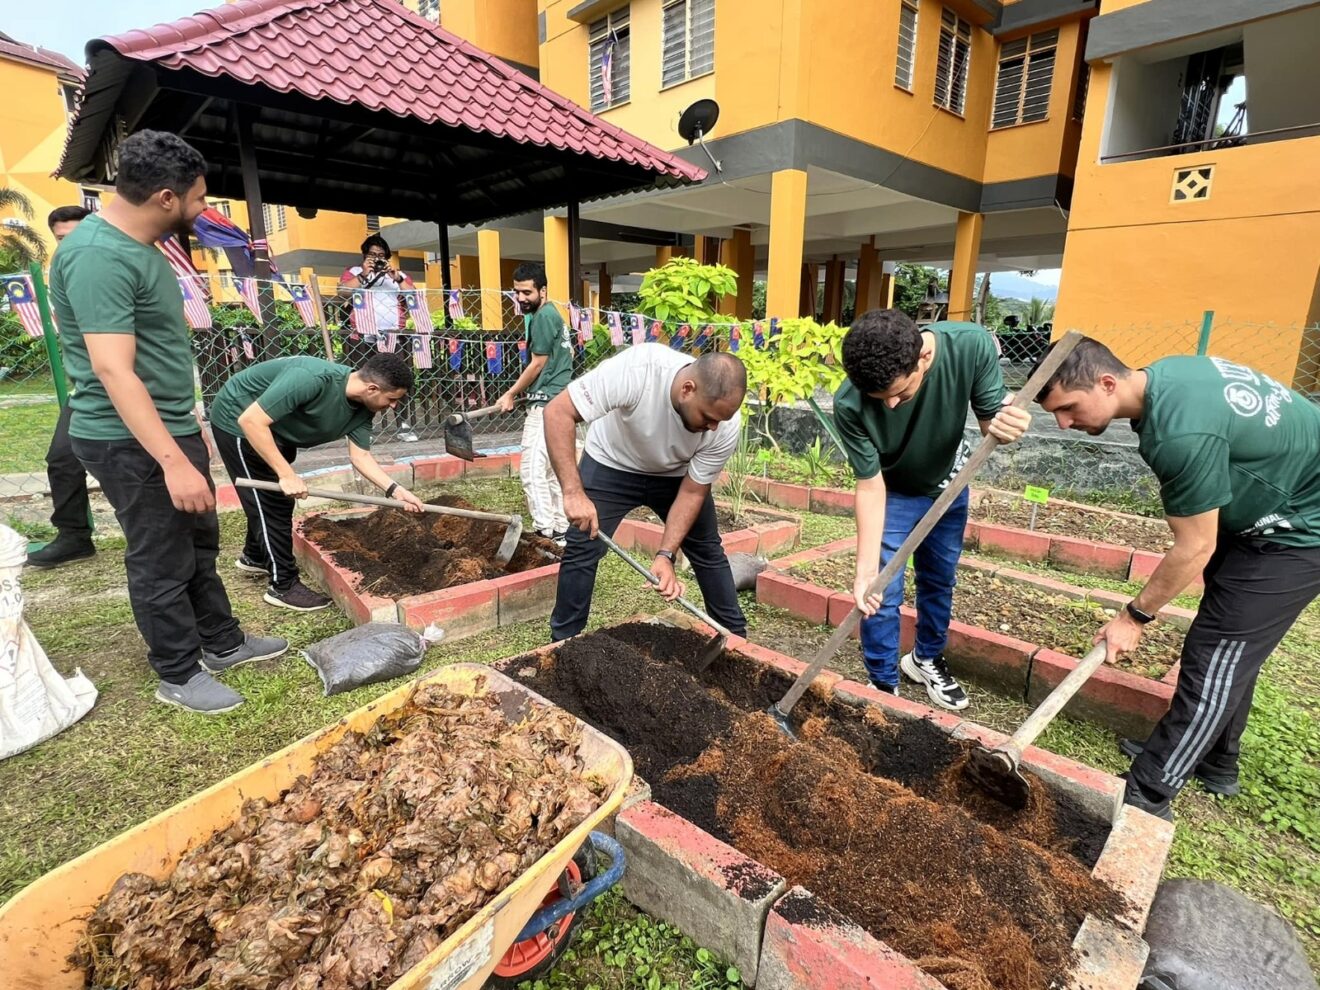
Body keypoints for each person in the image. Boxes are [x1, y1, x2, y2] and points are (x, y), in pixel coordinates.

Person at [50, 129, 286, 715]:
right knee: (160, 553)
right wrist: (173, 460)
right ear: (165, 197)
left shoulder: (140, 246)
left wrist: (187, 426)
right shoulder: (98, 256)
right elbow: (113, 369)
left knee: (198, 541)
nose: (203, 209)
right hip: (127, 438)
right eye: (199, 198)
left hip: (167, 427)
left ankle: (221, 642)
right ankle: (178, 671)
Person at [1036, 338, 1320, 821]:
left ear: (1107, 383)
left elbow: (1194, 546)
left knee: (1216, 655)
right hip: (1265, 514)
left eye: (1068, 408)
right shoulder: (1166, 376)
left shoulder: (1178, 434)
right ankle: (1216, 761)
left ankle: (1148, 794)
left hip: (1299, 530)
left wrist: (1134, 617)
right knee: (1232, 646)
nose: (1064, 423)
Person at [834, 310, 1030, 710]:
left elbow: (992, 423)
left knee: (939, 579)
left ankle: (925, 659)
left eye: (900, 392)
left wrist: (1009, 425)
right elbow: (870, 486)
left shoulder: (970, 346)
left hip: (948, 487)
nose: (891, 405)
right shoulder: (849, 403)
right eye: (880, 399)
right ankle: (882, 684)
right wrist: (865, 571)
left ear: (924, 357)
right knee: (879, 594)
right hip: (891, 495)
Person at [543, 344, 750, 641]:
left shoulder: (724, 425)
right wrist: (573, 493)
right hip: (612, 463)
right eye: (707, 417)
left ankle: (736, 641)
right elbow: (558, 411)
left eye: (721, 420)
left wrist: (666, 554)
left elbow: (693, 492)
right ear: (687, 389)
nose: (714, 427)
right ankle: (563, 643)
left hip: (676, 475)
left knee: (707, 550)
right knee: (582, 546)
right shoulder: (639, 369)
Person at [209, 352, 424, 611]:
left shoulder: (363, 410)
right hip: (239, 421)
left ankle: (254, 557)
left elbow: (361, 457)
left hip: (277, 430)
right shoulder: (311, 378)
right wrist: (286, 474)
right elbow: (251, 420)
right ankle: (283, 586)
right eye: (392, 399)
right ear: (372, 388)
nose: (394, 406)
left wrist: (396, 490)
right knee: (269, 506)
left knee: (275, 502)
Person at [25, 206, 95, 568]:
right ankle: (74, 536)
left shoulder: (109, 268)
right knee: (62, 458)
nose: (69, 245)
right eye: (61, 239)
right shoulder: (64, 277)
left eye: (76, 236)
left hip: (136, 384)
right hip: (89, 389)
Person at [495, 262, 571, 546]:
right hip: (557, 400)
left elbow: (538, 363)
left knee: (531, 469)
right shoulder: (551, 314)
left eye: (527, 292)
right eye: (517, 292)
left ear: (543, 290)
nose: (521, 298)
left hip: (546, 403)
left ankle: (545, 532)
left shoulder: (543, 317)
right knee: (551, 470)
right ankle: (561, 530)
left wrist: (510, 393)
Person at [337, 234, 419, 442]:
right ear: (364, 256)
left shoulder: (397, 275)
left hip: (394, 336)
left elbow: (414, 296)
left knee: (399, 380)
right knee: (363, 382)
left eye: (381, 255)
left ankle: (403, 425)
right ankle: (362, 428)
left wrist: (397, 278)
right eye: (372, 255)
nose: (377, 259)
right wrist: (364, 274)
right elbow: (342, 292)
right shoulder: (355, 272)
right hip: (363, 334)